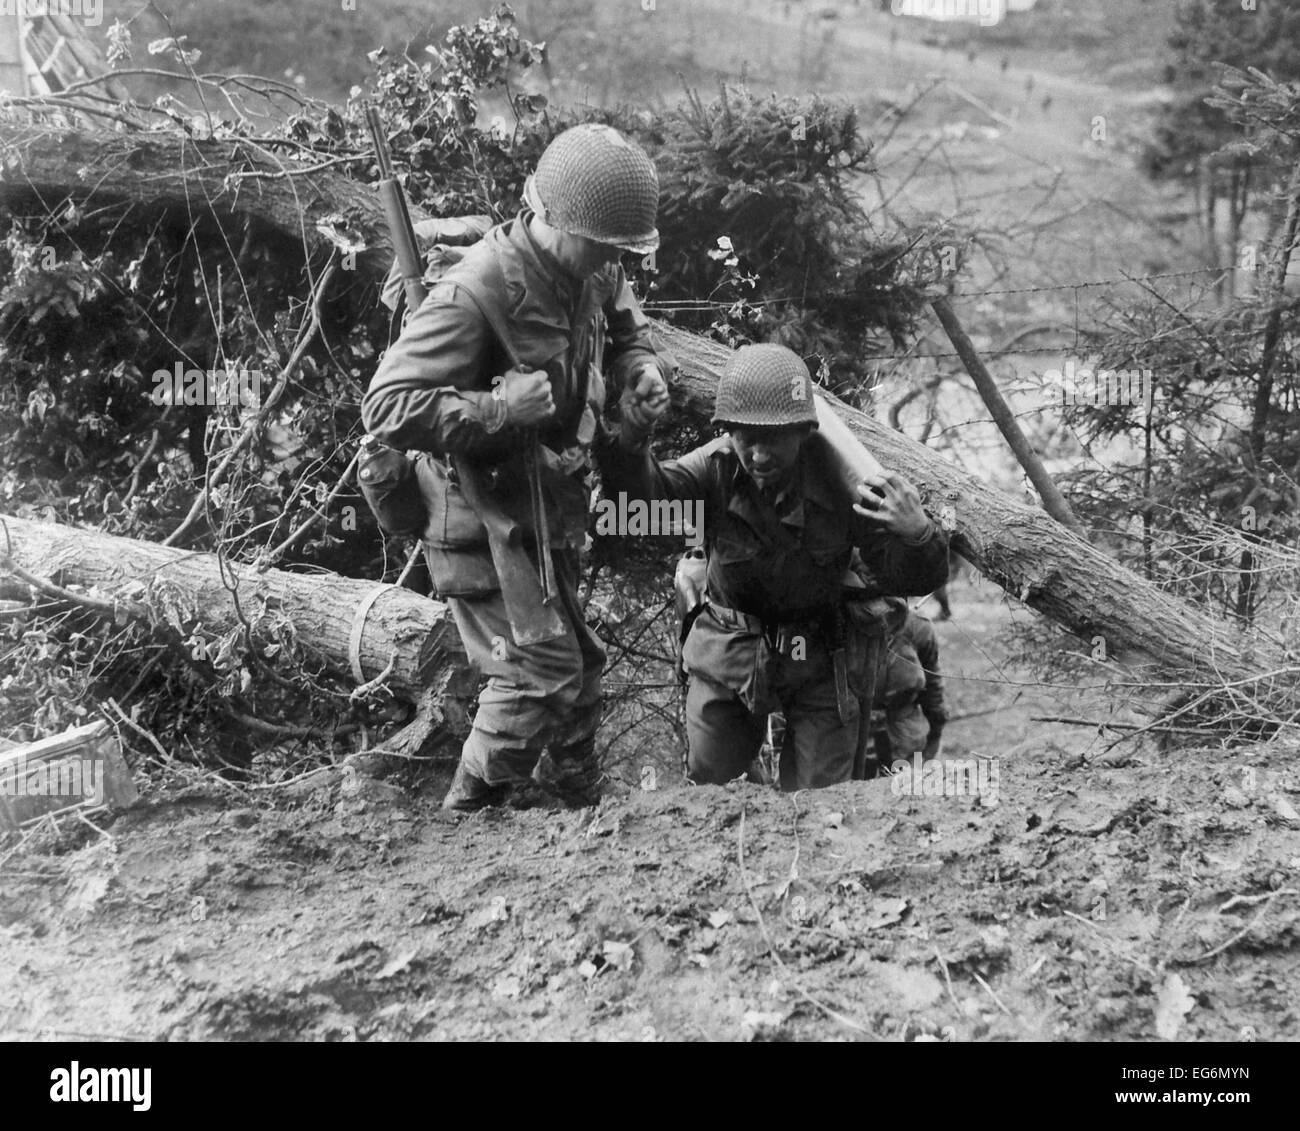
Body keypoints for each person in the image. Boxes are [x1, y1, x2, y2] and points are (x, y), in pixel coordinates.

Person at [361, 123, 670, 811]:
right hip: (480, 520)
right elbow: (386, 406)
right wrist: (498, 406)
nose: (614, 263)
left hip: (546, 508)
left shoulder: (593, 263)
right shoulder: (478, 292)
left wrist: (638, 367)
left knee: (579, 668)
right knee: (539, 673)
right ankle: (466, 820)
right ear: (557, 220)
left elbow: (625, 327)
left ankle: (577, 806)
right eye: (607, 248)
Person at [601, 343, 949, 789]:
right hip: (731, 654)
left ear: (804, 431)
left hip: (819, 659)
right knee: (712, 785)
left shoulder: (842, 482)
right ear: (728, 432)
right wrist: (631, 441)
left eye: (774, 439)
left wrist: (917, 531)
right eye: (746, 437)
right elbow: (639, 507)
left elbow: (910, 577)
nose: (759, 454)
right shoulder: (715, 469)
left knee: (823, 800)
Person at [860, 600, 947, 776]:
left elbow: (933, 686)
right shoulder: (841, 622)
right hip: (854, 735)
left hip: (905, 735)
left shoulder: (917, 628)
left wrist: (936, 726)